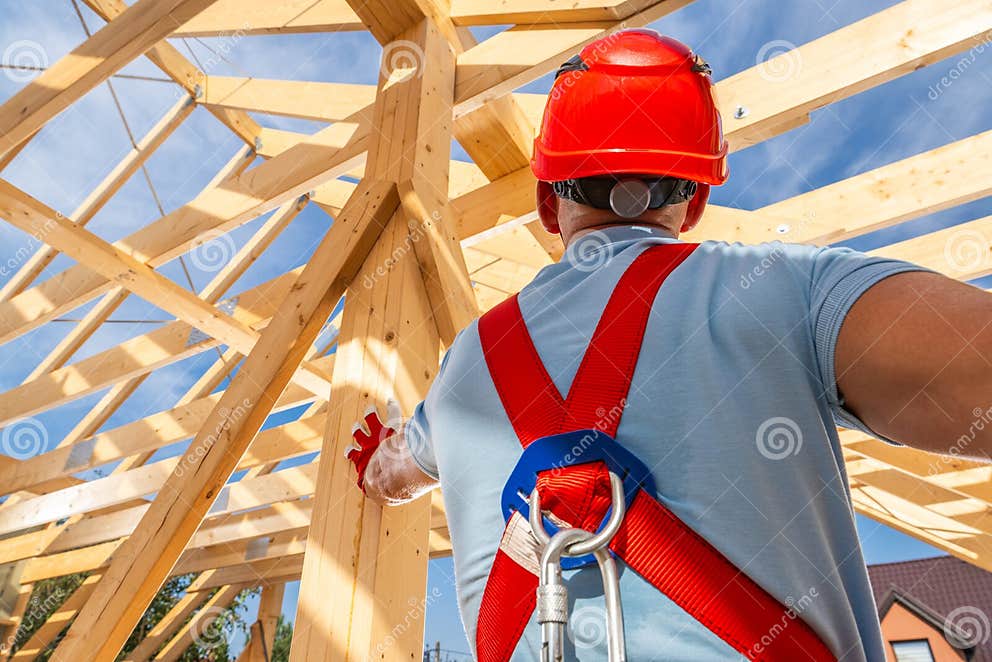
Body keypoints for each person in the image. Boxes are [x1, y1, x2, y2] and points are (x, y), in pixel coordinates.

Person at [344, 29, 992, 661]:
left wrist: (380, 453)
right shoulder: (786, 291)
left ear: (547, 201)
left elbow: (390, 475)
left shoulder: (465, 368)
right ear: (697, 200)